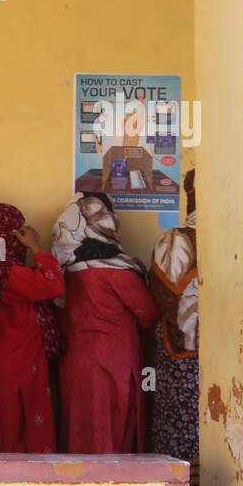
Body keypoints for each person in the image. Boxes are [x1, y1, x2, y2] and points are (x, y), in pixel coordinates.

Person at [51, 192, 159, 453]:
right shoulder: (118, 272)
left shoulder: (64, 271)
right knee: (113, 433)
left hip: (75, 362)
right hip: (115, 364)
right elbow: (149, 314)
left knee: (81, 429)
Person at [0, 203, 65, 454]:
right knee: (24, 426)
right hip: (20, 359)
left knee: (9, 423)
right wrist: (36, 248)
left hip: (8, 357)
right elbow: (54, 286)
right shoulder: (6, 271)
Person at [150, 169, 200, 486]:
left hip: (179, 354)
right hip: (204, 356)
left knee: (181, 445)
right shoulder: (242, 233)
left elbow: (162, 299)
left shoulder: (175, 241)